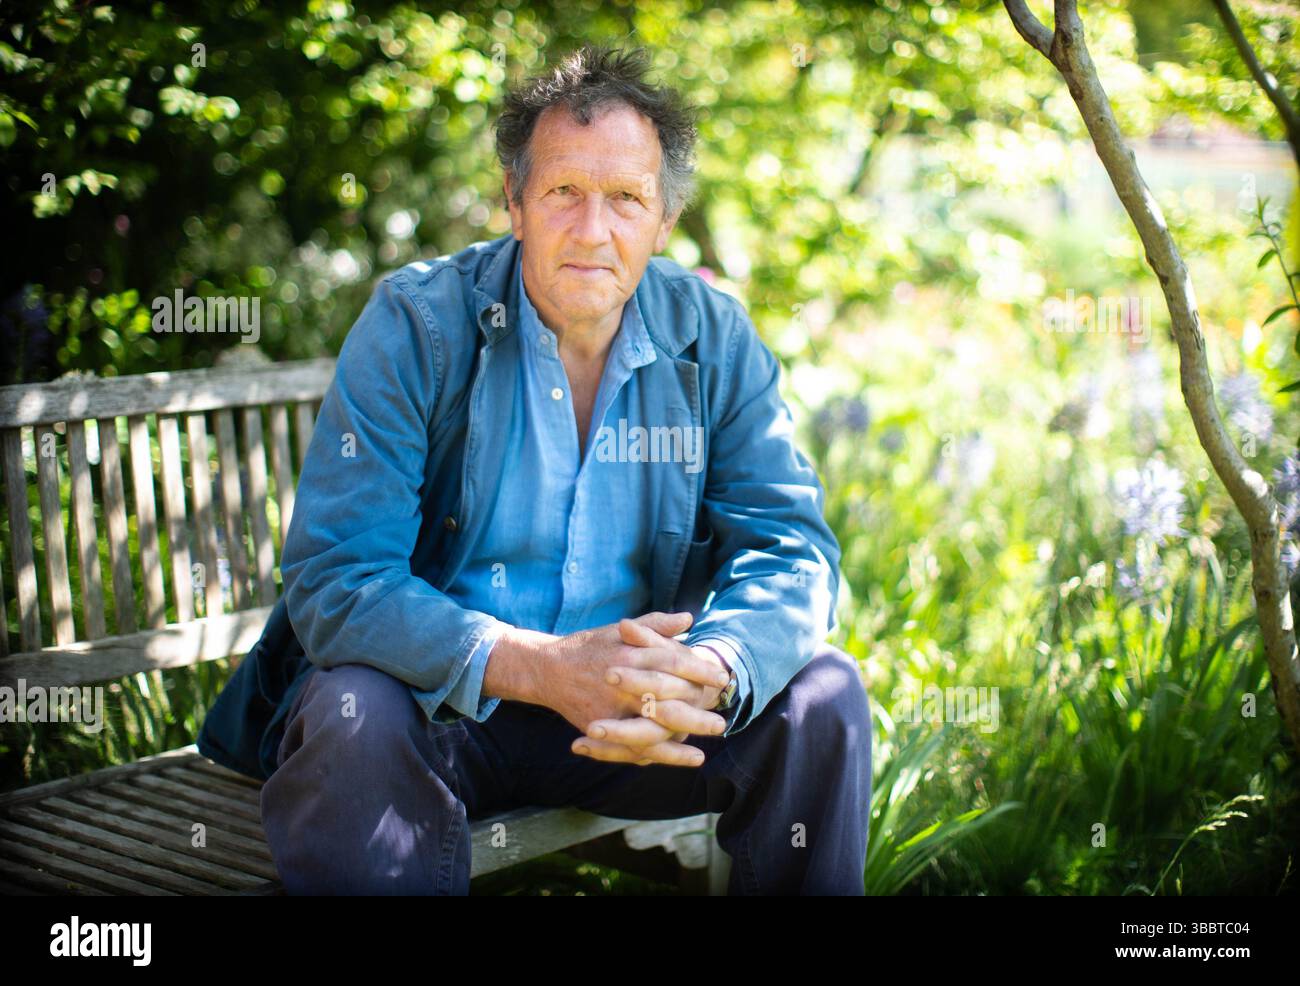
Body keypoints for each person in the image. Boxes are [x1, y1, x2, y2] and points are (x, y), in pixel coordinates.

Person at [198, 42, 871, 895]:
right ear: (513, 202)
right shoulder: (417, 325)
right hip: (438, 719)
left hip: (638, 723)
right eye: (563, 193)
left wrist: (713, 670)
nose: (595, 232)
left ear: (664, 222)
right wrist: (546, 669)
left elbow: (792, 549)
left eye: (627, 199)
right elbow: (337, 579)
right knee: (351, 710)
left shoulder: (714, 334)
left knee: (824, 692)